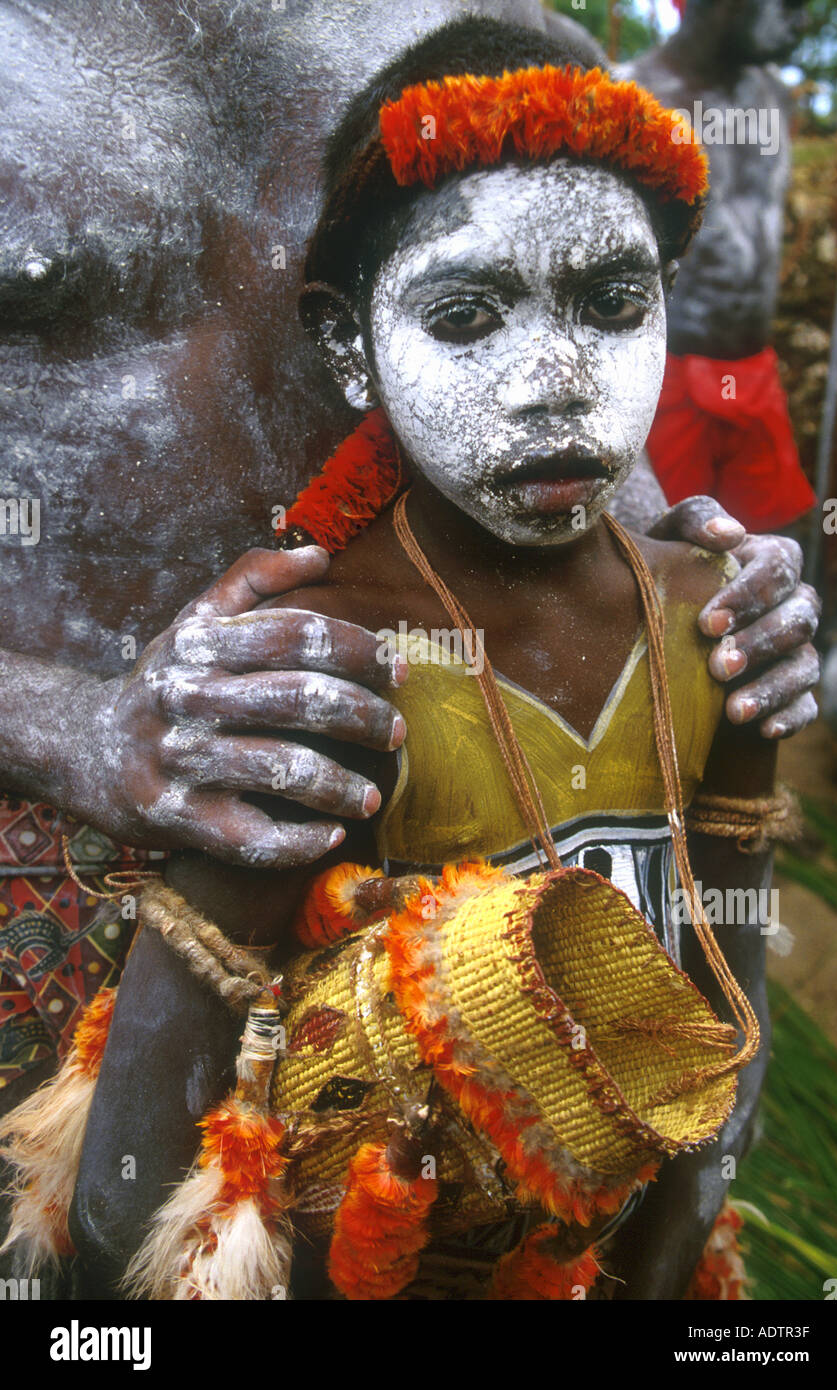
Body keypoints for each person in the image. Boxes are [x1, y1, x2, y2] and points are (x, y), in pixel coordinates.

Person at [52, 16, 798, 1300]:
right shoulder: (320, 664)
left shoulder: (718, 618)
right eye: (466, 314)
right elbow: (136, 1177)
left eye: (614, 302)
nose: (557, 380)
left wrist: (661, 1276)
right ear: (349, 344)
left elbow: (724, 1006)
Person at [630, 0, 817, 533]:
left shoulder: (774, 95)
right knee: (670, 551)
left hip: (751, 370)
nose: (801, 21)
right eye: (789, 5)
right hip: (663, 380)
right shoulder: (631, 97)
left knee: (770, 544)